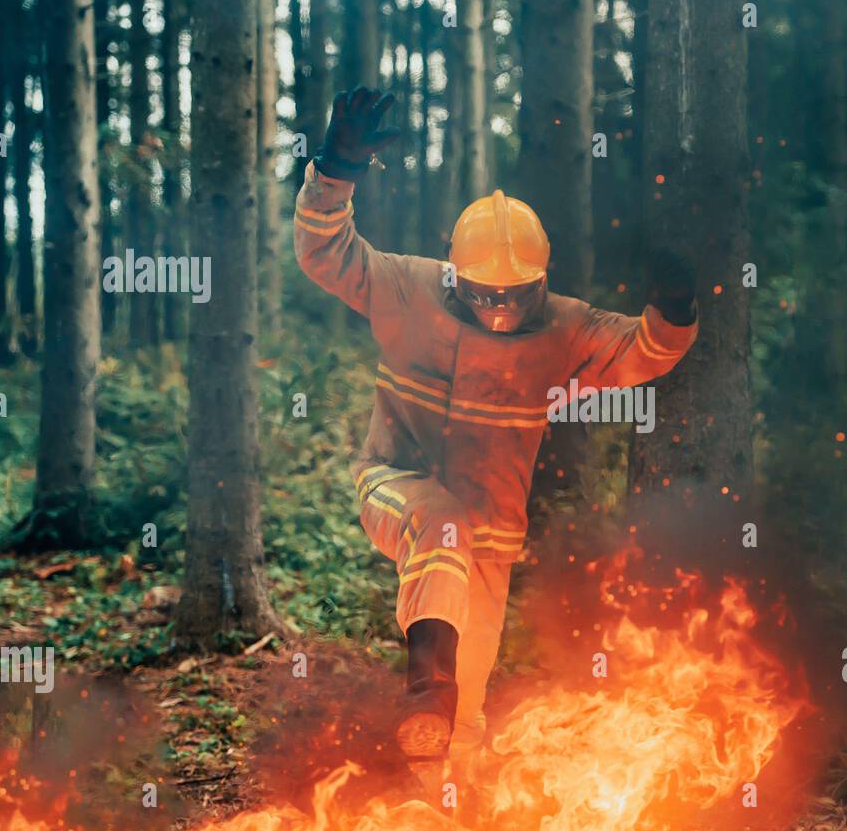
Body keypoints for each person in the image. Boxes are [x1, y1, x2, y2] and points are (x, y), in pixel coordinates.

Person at [294, 87, 699, 759]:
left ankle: (441, 807)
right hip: (398, 483)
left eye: (515, 295)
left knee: (467, 716)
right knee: (441, 531)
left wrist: (676, 297)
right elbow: (324, 253)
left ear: (542, 281)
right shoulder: (408, 287)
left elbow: (649, 352)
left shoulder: (567, 329)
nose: (501, 309)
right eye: (485, 294)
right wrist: (335, 169)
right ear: (456, 275)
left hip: (493, 539)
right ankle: (426, 686)